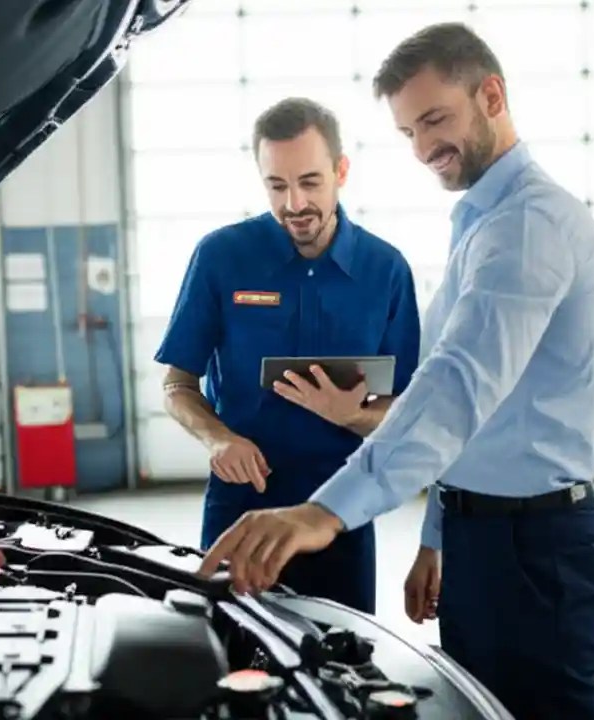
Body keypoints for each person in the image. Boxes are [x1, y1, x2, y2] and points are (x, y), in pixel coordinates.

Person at [196, 22, 594, 719]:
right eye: (407, 132)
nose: (423, 148)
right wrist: (439, 536)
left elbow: (455, 388)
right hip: (486, 533)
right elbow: (463, 414)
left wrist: (324, 512)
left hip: (535, 546)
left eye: (435, 120)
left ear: (492, 95)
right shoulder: (481, 221)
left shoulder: (528, 228)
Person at [155, 97, 421, 615]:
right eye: (277, 186)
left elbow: (409, 412)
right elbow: (176, 385)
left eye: (310, 182)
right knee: (233, 658)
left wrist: (355, 415)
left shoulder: (386, 271)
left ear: (341, 171)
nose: (294, 203)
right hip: (239, 507)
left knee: (342, 666)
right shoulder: (220, 257)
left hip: (340, 513)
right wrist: (218, 439)